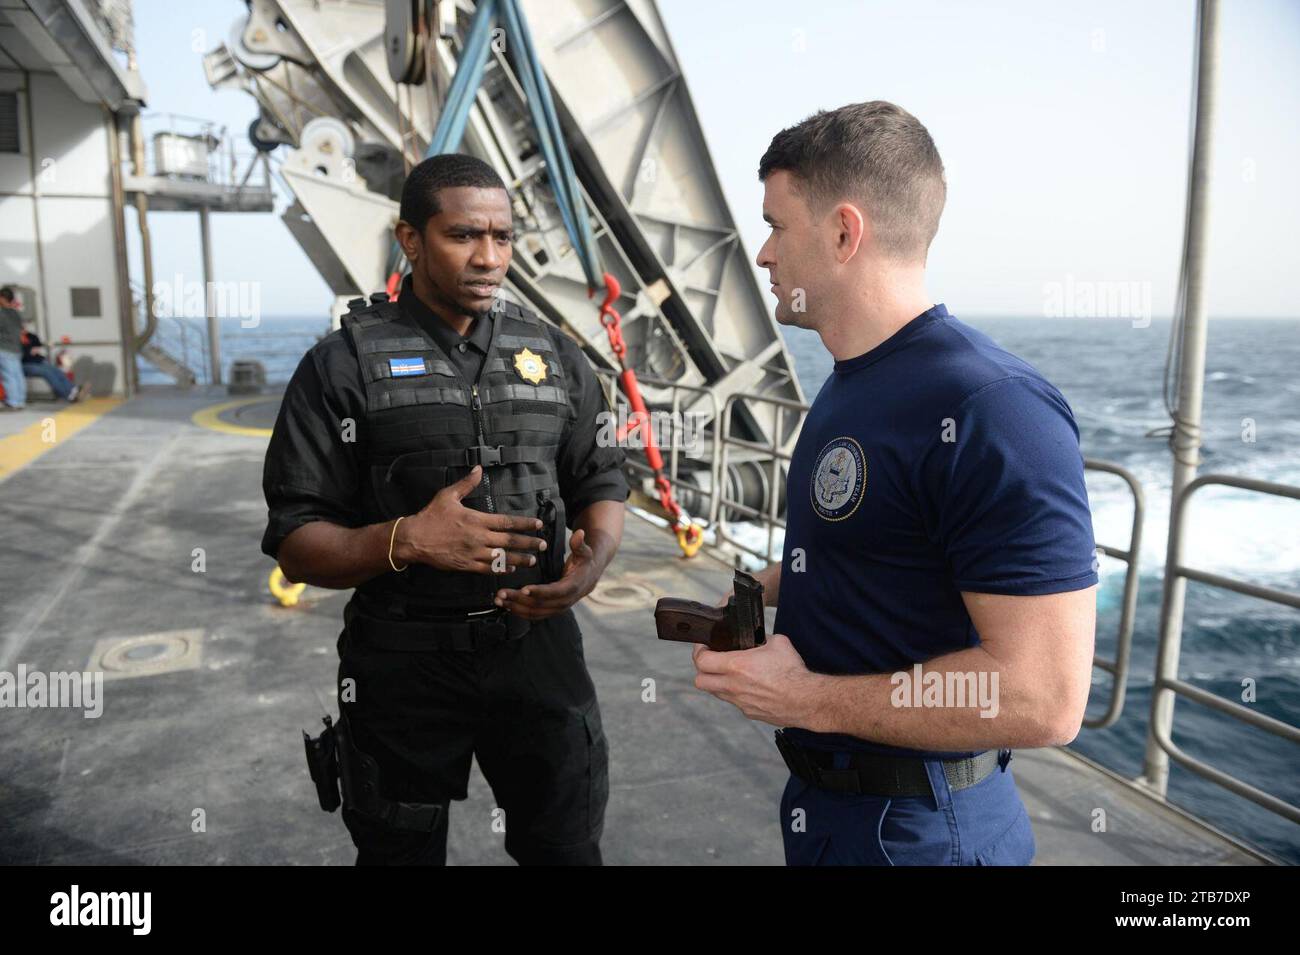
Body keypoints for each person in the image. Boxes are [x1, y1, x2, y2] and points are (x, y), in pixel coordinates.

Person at [689, 102, 1097, 866]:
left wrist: (803, 697)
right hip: (833, 808)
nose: (763, 254)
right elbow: (885, 538)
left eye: (777, 225)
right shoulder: (855, 384)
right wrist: (774, 584)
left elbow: (1042, 696)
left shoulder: (993, 410)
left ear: (845, 233)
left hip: (921, 832)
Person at [261, 153, 629, 866]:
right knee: (399, 852)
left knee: (567, 848)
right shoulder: (340, 367)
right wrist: (407, 539)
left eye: (503, 236)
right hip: (403, 664)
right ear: (409, 239)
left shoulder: (555, 355)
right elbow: (296, 542)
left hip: (539, 654)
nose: (489, 257)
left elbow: (600, 478)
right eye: (464, 236)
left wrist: (593, 564)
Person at [21, 321, 86, 402]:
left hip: (38, 361)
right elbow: (22, 354)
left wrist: (34, 348)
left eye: (24, 326)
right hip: (26, 364)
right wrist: (29, 351)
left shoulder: (30, 336)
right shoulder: (14, 339)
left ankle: (73, 390)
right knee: (47, 372)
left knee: (56, 370)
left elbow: (37, 344)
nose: (23, 328)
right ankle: (68, 395)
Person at [0, 286, 27, 410]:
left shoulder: (1, 312)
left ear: (3, 298)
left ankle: (13, 402)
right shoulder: (16, 313)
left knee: (8, 376)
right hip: (16, 349)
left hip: (4, 348)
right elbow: (22, 331)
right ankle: (20, 401)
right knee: (18, 375)